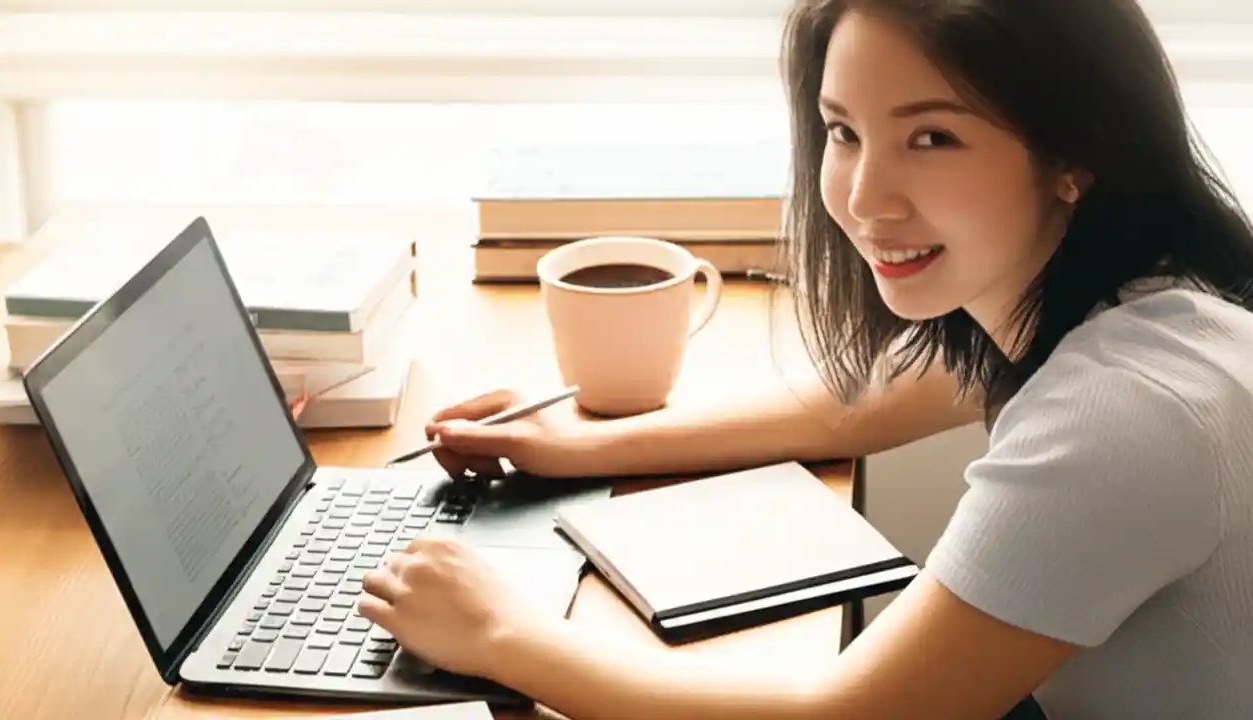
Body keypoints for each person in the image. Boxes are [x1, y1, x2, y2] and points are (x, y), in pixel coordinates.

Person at [357, 0, 1253, 717]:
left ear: (1075, 153)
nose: (864, 200)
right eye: (843, 131)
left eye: (932, 138)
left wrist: (503, 635)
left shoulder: (1125, 415)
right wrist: (576, 444)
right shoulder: (1132, 283)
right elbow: (852, 407)